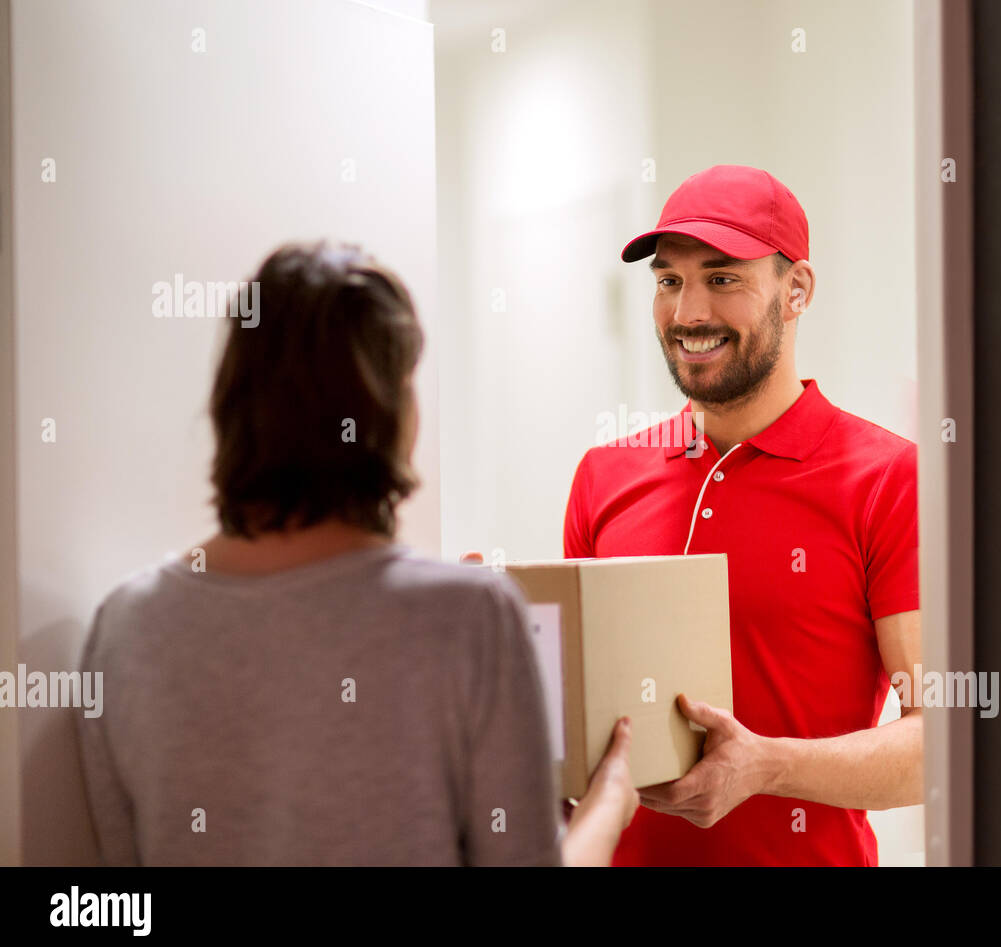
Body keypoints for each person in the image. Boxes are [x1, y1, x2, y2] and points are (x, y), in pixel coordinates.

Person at [76, 240, 636, 866]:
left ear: (234, 405)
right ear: (387, 409)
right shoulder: (469, 617)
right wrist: (608, 800)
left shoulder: (125, 624)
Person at [563, 165, 923, 866]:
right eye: (669, 281)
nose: (688, 312)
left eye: (722, 278)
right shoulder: (604, 477)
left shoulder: (888, 478)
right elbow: (582, 725)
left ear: (797, 290)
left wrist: (768, 766)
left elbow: (941, 743)